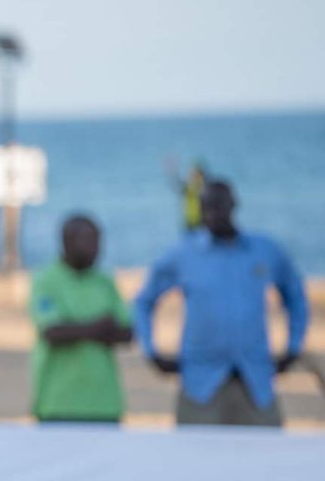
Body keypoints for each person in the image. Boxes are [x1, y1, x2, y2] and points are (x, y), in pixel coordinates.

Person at [134, 180, 309, 427]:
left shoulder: (264, 250)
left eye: (219, 205)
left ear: (234, 204)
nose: (213, 212)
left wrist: (293, 347)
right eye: (206, 206)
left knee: (266, 458)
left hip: (256, 381)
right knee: (197, 459)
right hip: (201, 383)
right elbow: (144, 300)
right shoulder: (184, 253)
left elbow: (295, 295)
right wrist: (151, 351)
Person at [29, 215, 133, 423]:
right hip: (57, 404)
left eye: (97, 242)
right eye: (88, 242)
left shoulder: (104, 281)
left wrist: (77, 328)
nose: (96, 249)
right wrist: (98, 328)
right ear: (66, 241)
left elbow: (127, 332)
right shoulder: (45, 280)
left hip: (105, 404)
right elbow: (52, 332)